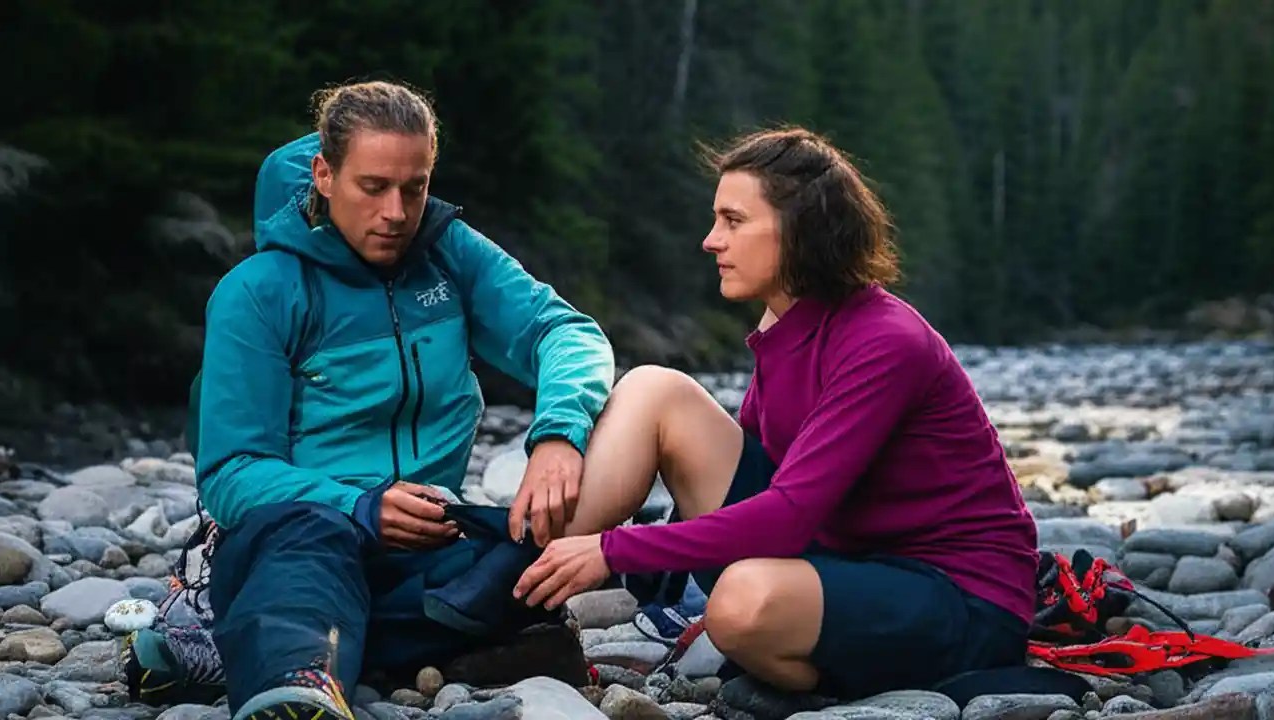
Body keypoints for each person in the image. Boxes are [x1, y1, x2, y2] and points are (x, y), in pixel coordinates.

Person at [513, 126, 1040, 700]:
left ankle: (842, 689)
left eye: (733, 221)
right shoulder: (782, 323)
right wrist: (647, 558)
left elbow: (787, 513)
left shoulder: (887, 341)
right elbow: (754, 469)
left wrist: (617, 552)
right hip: (844, 556)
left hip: (955, 594)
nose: (711, 240)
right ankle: (516, 577)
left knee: (740, 603)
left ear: (802, 231)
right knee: (654, 390)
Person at [191, 80, 614, 720]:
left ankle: (260, 643)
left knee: (533, 546)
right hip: (304, 531)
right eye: (373, 187)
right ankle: (300, 682)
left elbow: (566, 332)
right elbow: (231, 474)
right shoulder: (258, 292)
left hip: (428, 538)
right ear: (325, 175)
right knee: (306, 546)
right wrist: (358, 506)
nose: (396, 212)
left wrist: (558, 434)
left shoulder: (449, 254)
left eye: (414, 187)